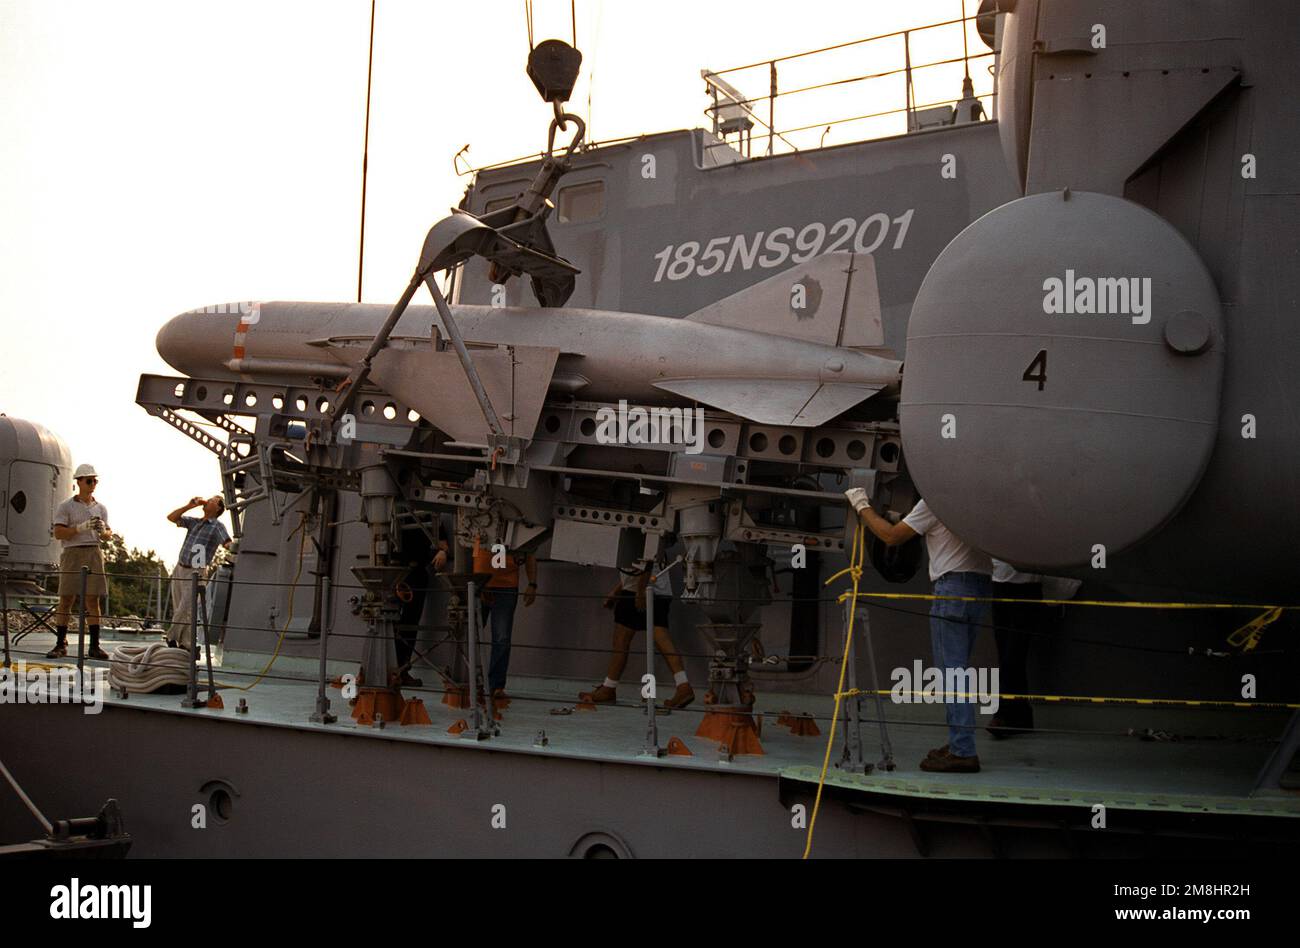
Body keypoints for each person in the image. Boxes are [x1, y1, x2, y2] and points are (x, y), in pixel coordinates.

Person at [846, 489, 993, 773]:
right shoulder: (979, 499)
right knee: (959, 671)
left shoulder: (936, 501)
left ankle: (963, 750)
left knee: (952, 673)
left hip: (952, 588)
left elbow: (891, 536)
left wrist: (861, 505)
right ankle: (958, 743)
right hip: (981, 586)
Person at [585, 558, 694, 709]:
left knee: (621, 640)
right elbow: (634, 569)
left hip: (639, 591)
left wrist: (641, 591)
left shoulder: (637, 534)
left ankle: (608, 688)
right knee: (661, 638)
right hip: (658, 590)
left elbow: (647, 559)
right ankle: (683, 685)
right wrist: (616, 591)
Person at [48, 464, 113, 659]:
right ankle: (60, 644)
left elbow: (109, 534)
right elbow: (58, 533)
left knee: (93, 599)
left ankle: (94, 646)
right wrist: (80, 528)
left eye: (95, 480)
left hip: (93, 552)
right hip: (72, 553)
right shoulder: (65, 506)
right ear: (79, 482)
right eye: (89, 480)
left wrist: (103, 531)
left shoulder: (101, 508)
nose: (93, 484)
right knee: (66, 598)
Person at [471, 538, 537, 699]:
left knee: (501, 637)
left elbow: (530, 551)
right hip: (482, 583)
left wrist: (532, 583)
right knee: (473, 633)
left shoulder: (518, 525)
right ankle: (476, 682)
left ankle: (494, 685)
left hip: (502, 585)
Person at [165, 495, 232, 649]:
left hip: (196, 571)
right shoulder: (194, 522)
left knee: (185, 608)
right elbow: (171, 517)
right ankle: (187, 644)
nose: (208, 500)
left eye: (213, 500)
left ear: (218, 508)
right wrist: (189, 505)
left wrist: (234, 548)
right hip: (180, 568)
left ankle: (171, 636)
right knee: (181, 609)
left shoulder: (217, 526)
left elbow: (226, 542)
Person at [988, 558, 1042, 737]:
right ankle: (1021, 715)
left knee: (1013, 653)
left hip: (1025, 585)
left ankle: (1006, 713)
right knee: (1007, 653)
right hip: (1000, 582)